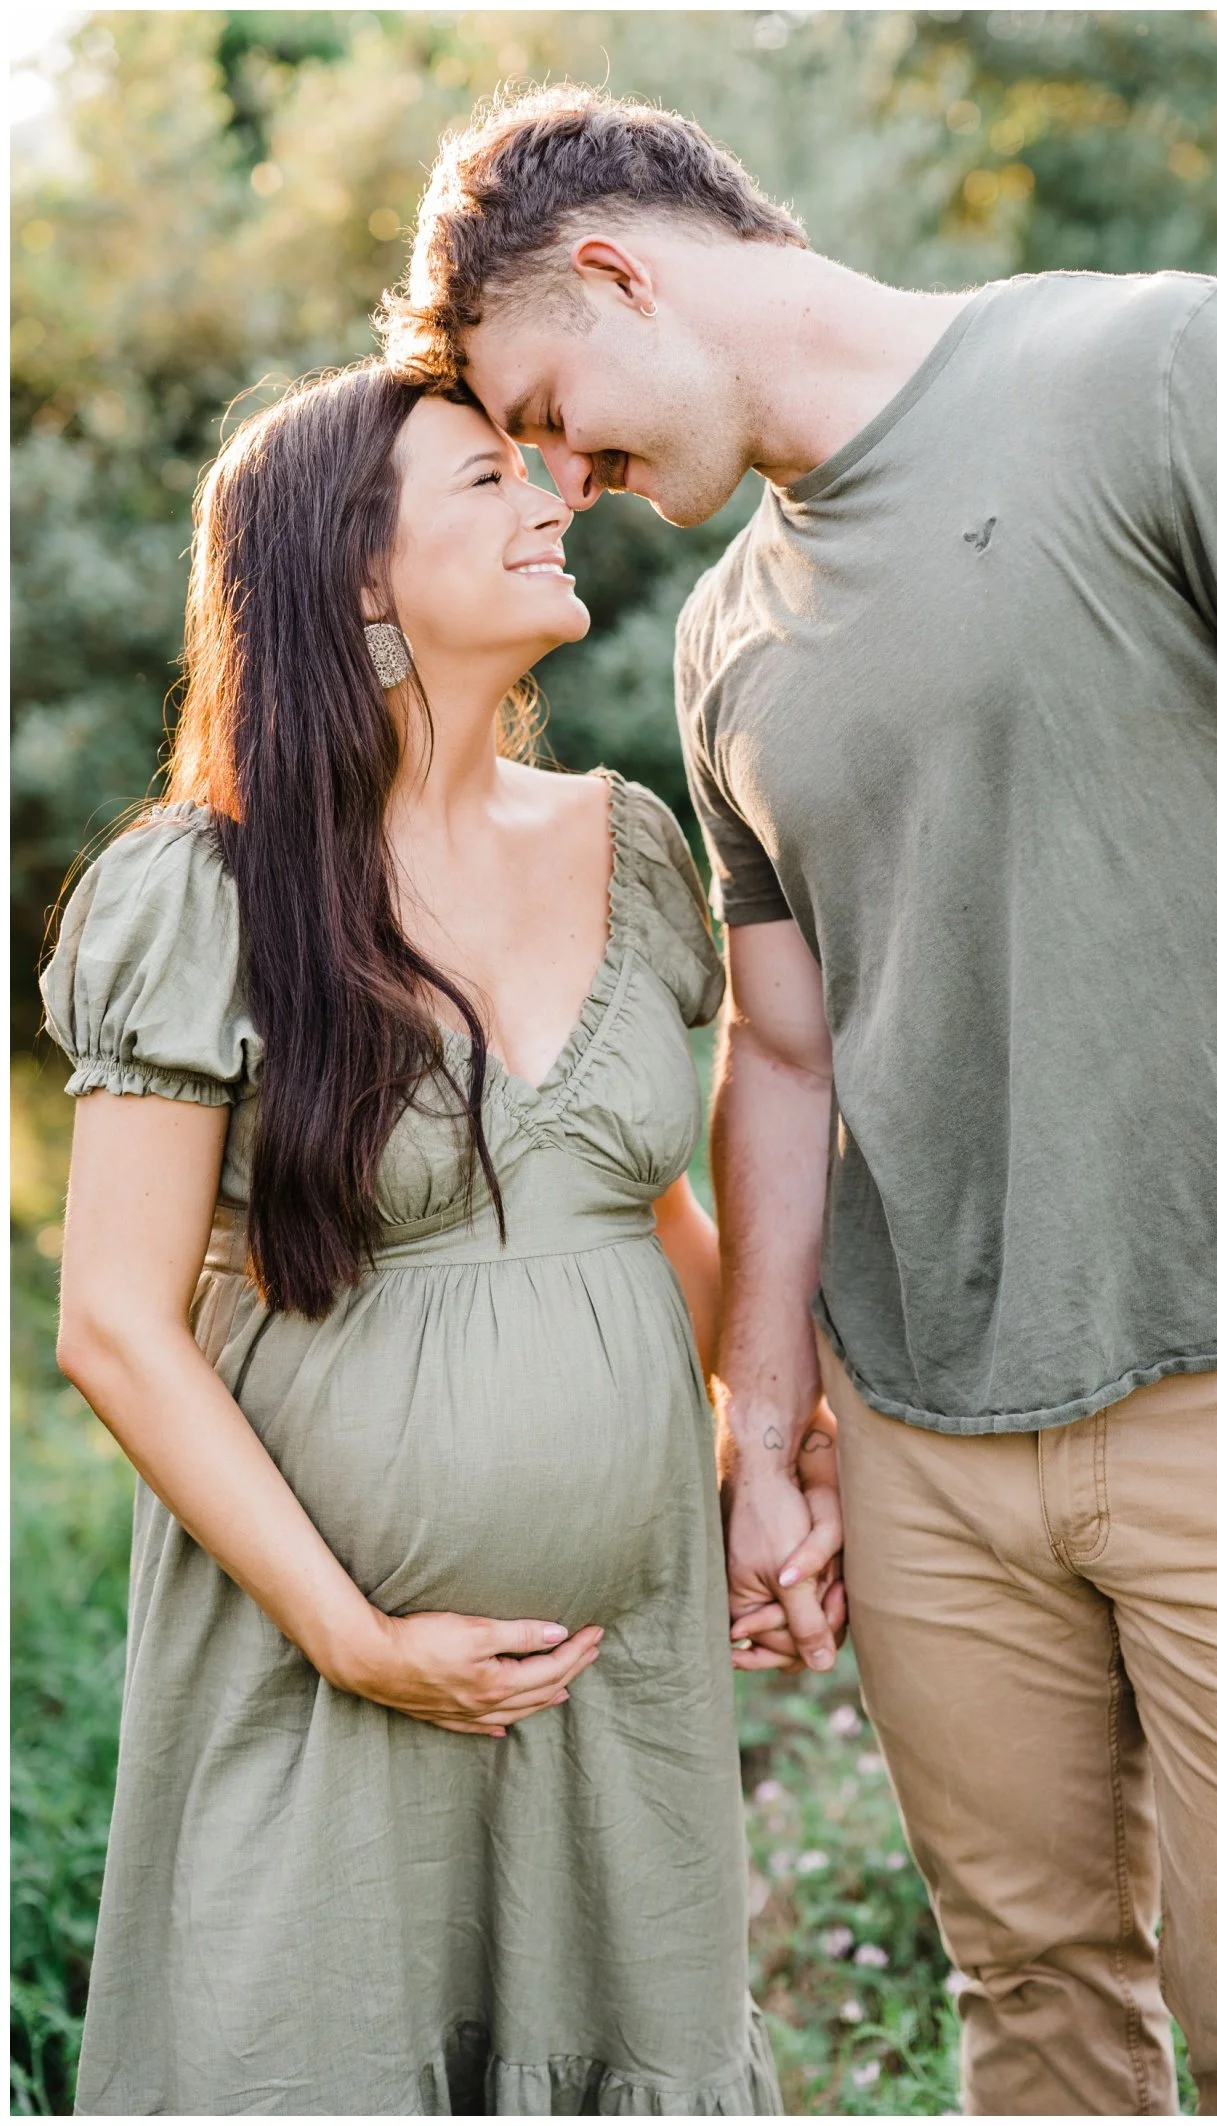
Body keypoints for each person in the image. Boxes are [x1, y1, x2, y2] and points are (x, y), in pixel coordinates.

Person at [384, 85, 1217, 2116]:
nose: (562, 474)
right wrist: (764, 1437)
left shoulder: (1162, 368)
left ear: (615, 270)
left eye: (550, 409)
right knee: (1026, 2010)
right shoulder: (716, 640)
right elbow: (780, 1056)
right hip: (935, 1445)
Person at [42, 359, 788, 2116]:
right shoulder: (199, 891)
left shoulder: (628, 841)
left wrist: (775, 1452)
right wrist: (355, 1637)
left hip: (617, 1685)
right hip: (327, 1677)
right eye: (485, 482)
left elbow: (646, 1205)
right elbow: (114, 1328)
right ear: (356, 574)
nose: (552, 500)